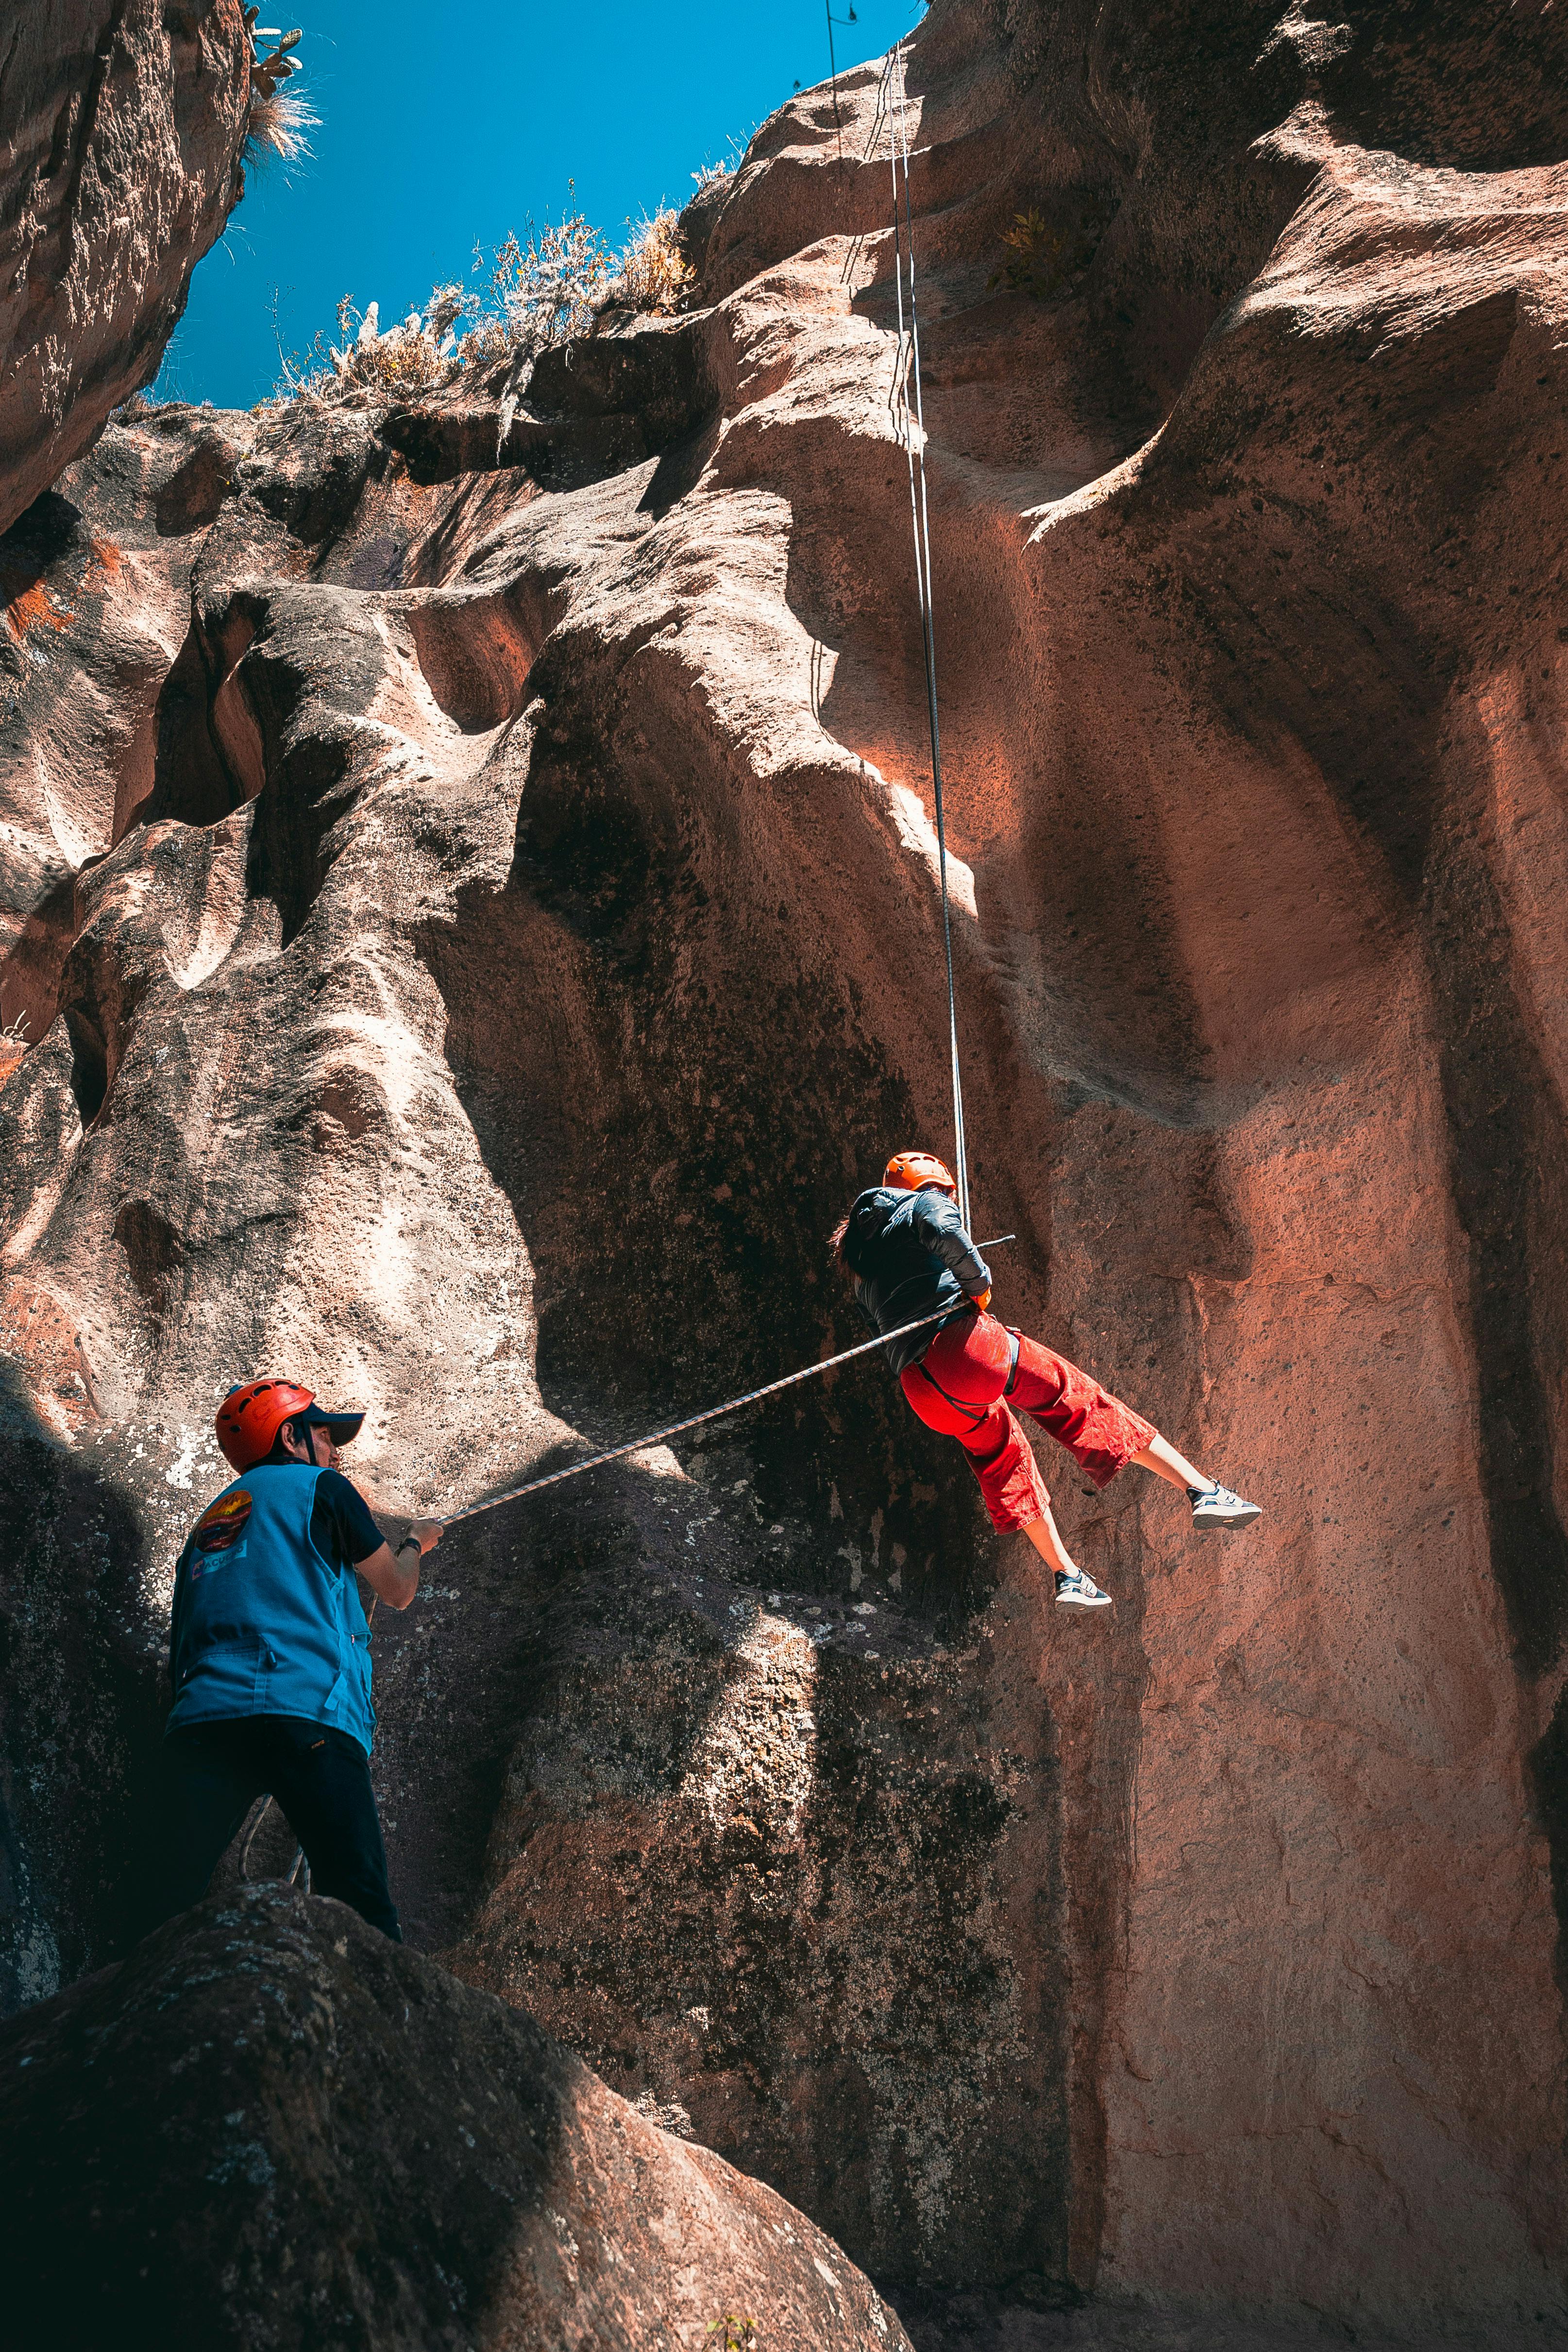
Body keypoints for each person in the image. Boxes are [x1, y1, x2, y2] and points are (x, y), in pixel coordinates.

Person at [835, 1152, 1260, 1609]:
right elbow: (946, 1232)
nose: (947, 1198)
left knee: (1004, 1462)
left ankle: (1068, 1575)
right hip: (965, 1350)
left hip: (924, 1392)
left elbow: (884, 1329)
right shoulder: (921, 1204)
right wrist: (977, 1286)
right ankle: (1203, 1491)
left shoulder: (862, 1266)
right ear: (932, 1184)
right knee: (1077, 1401)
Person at [149, 1377, 441, 1940]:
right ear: (290, 1436)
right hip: (305, 1710)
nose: (336, 1451)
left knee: (163, 1902)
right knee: (361, 1909)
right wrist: (415, 1541)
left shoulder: (209, 1523)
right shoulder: (323, 1487)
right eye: (326, 1436)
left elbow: (182, 1638)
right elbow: (397, 1588)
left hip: (204, 1720)